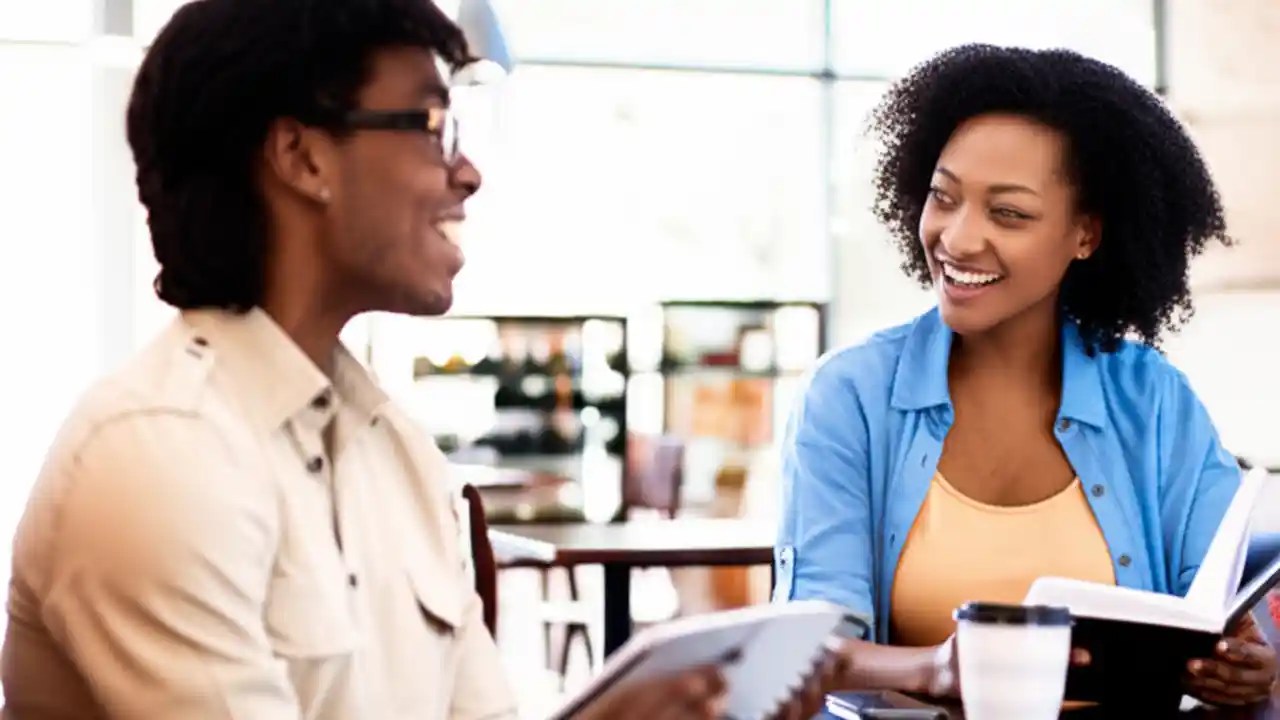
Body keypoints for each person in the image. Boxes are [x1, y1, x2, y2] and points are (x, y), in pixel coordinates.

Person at [0, 1, 731, 718]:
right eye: (434, 126)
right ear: (301, 155)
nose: (468, 172)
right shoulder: (157, 453)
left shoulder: (401, 455)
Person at [774, 43, 1278, 707]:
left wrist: (1246, 665)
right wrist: (937, 671)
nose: (957, 238)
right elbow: (811, 648)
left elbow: (1223, 611)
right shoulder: (849, 397)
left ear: (1086, 235)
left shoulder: (1153, 400)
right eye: (943, 197)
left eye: (1008, 212)